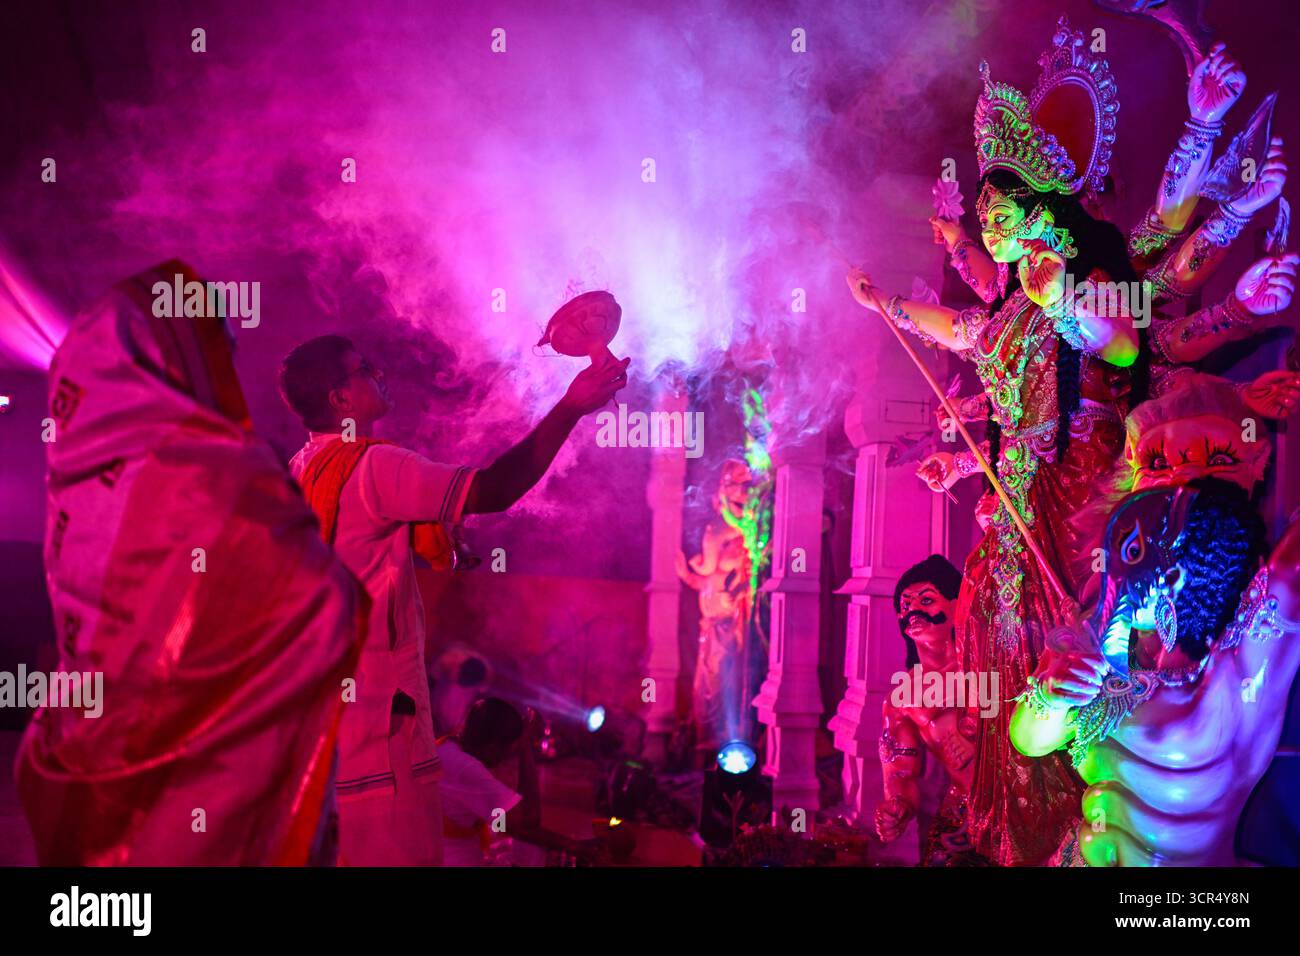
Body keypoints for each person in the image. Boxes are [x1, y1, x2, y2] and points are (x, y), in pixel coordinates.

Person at [18, 261, 365, 865]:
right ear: (176, 356)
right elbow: (317, 600)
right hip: (202, 795)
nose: (225, 369)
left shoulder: (73, 472)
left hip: (90, 763)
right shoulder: (209, 475)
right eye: (215, 347)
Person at [278, 333, 628, 865]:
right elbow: (495, 489)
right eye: (364, 368)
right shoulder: (374, 465)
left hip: (329, 724)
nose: (379, 371)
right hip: (385, 729)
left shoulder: (301, 468)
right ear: (340, 401)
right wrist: (571, 408)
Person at [1010, 375, 1300, 866]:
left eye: (1216, 458)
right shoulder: (1099, 621)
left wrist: (1251, 405)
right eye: (1159, 463)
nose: (1180, 479)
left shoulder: (1257, 625)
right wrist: (1048, 698)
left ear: (1254, 468)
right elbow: (1031, 740)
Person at [875, 555, 987, 866]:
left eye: (927, 600)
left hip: (1022, 800)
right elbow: (900, 771)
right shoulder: (902, 698)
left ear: (957, 604)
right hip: (966, 811)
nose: (913, 610)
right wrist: (895, 807)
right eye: (905, 603)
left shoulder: (990, 663)